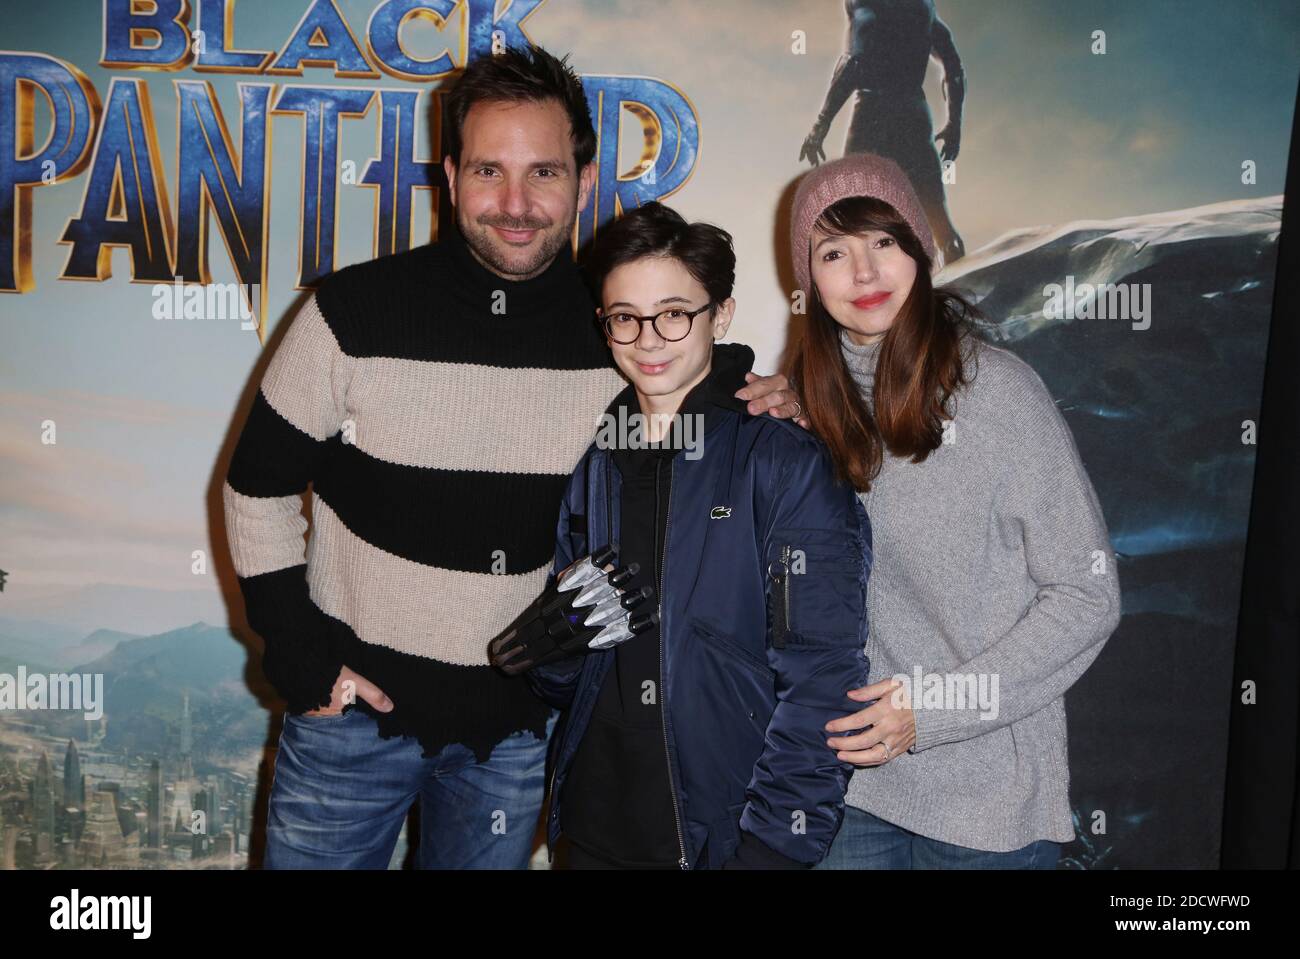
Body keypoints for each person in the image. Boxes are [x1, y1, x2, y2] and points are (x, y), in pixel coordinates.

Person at [221, 45, 800, 870]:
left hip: (521, 739)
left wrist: (775, 389)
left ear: (586, 181)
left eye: (546, 173)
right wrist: (301, 660)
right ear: (450, 176)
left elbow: (697, 367)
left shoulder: (617, 333)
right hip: (348, 726)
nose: (517, 203)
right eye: (490, 170)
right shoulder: (352, 312)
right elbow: (255, 487)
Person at [510, 202, 872, 869]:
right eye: (625, 316)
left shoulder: (783, 461)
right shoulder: (597, 460)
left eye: (674, 312)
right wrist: (554, 653)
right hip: (589, 829)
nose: (648, 338)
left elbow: (824, 678)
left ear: (721, 315)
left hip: (722, 836)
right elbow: (574, 684)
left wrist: (772, 849)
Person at [784, 153, 1121, 868]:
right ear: (807, 278)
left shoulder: (997, 393)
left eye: (885, 241)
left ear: (919, 250)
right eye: (834, 251)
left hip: (988, 804)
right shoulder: (810, 407)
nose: (865, 273)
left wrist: (931, 711)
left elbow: (1087, 594)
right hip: (848, 790)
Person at [799, 0, 966, 265]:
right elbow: (953, 67)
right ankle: (951, 273)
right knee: (936, 217)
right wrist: (954, 124)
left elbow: (854, 62)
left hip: (873, 111)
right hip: (913, 111)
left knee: (852, 210)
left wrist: (821, 124)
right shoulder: (924, 7)